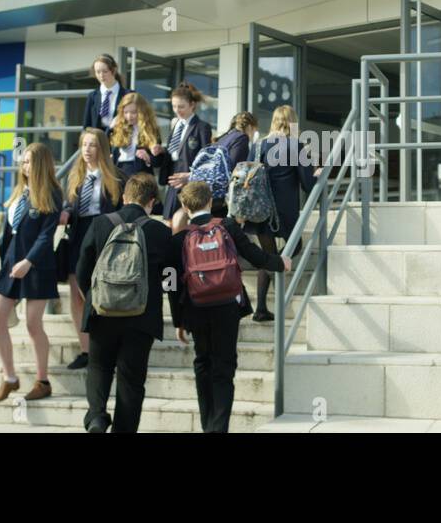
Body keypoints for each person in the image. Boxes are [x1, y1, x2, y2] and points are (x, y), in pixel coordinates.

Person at [167, 181, 291, 433]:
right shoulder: (227, 226)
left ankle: (207, 425)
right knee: (224, 367)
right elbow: (253, 254)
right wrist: (280, 262)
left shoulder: (180, 238)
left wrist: (178, 320)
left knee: (203, 362)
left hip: (196, 306)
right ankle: (218, 427)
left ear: (184, 206)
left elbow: (170, 281)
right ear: (210, 202)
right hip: (227, 305)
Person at [75, 173, 174, 433]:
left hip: (102, 312)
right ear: (152, 202)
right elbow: (171, 278)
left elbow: (82, 269)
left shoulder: (99, 224)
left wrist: (94, 299)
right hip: (141, 317)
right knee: (131, 381)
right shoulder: (161, 232)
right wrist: (165, 300)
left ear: (124, 197)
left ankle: (96, 415)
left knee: (98, 366)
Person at [0, 142, 63, 402]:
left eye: (29, 162)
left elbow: (47, 236)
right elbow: (7, 233)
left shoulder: (52, 194)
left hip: (37, 267)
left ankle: (42, 381)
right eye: (23, 161)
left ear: (41, 165)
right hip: (10, 264)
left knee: (33, 324)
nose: (24, 166)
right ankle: (10, 378)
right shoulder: (17, 193)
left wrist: (29, 261)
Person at [243, 105, 321, 322]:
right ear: (292, 122)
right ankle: (278, 271)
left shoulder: (259, 145)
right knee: (294, 246)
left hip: (259, 209)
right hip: (284, 211)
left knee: (267, 257)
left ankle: (260, 308)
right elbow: (308, 183)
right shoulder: (297, 146)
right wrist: (317, 172)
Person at [60, 128, 124, 370]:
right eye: (84, 145)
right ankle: (86, 350)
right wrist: (65, 211)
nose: (87, 150)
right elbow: (68, 204)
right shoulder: (74, 176)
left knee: (100, 293)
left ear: (103, 149)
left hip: (102, 233)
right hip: (77, 235)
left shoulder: (115, 177)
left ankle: (108, 347)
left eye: (93, 145)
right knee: (76, 294)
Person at [155, 82, 212, 223]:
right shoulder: (175, 124)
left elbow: (207, 159)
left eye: (181, 106)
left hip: (189, 181)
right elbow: (175, 151)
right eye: (174, 106)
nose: (177, 110)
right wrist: (162, 150)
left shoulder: (201, 127)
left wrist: (192, 176)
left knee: (184, 223)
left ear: (192, 105)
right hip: (174, 179)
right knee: (170, 221)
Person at [209, 111, 258, 217]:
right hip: (223, 195)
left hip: (212, 190)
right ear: (250, 127)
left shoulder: (225, 137)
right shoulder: (242, 138)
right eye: (254, 130)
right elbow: (237, 168)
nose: (254, 133)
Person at [110, 92, 166, 181]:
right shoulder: (118, 127)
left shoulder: (150, 130)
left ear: (142, 112)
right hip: (119, 171)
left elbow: (158, 162)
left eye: (133, 112)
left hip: (141, 175)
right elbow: (105, 146)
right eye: (126, 112)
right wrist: (112, 125)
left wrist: (148, 158)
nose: (129, 116)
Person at [83, 53, 132, 132]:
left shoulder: (129, 95)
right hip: (98, 141)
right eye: (98, 72)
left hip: (120, 140)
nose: (101, 75)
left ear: (114, 70)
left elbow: (142, 120)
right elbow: (87, 125)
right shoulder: (92, 96)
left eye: (105, 71)